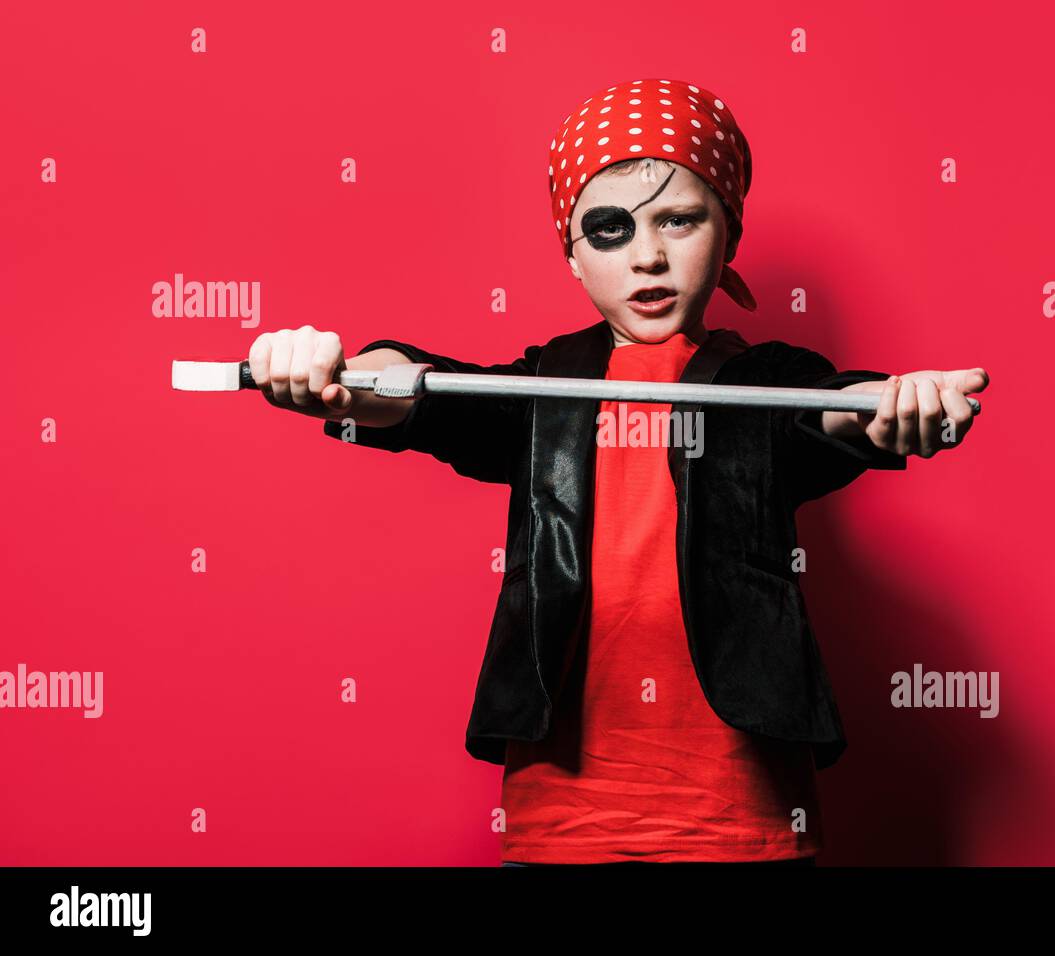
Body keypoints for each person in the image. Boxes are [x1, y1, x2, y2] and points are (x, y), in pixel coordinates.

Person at [250, 78, 988, 866]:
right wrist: (332, 376)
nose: (649, 255)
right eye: (610, 230)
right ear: (571, 254)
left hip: (744, 816)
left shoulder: (767, 381)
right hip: (563, 811)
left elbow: (835, 411)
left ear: (728, 232)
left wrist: (898, 405)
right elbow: (425, 391)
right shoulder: (544, 385)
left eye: (680, 219)